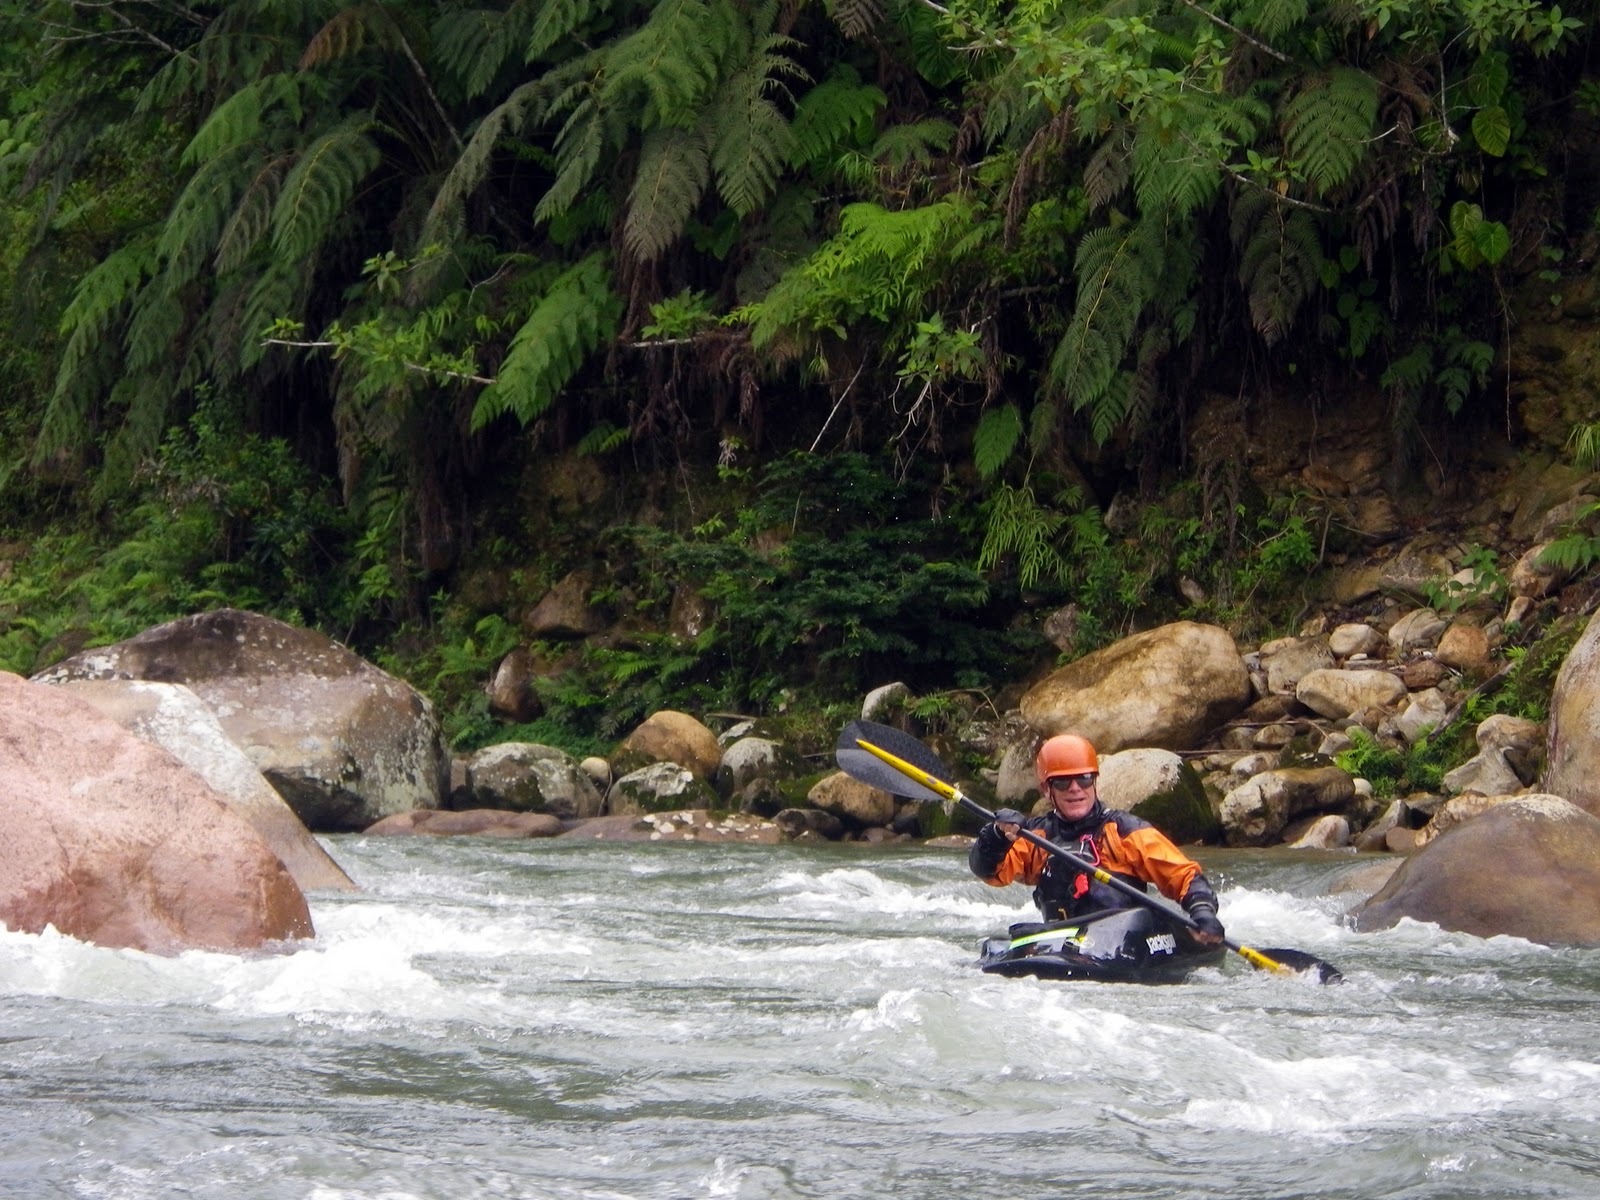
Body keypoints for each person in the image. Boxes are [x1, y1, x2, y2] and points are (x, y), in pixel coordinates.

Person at [968, 732, 1226, 945]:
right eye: (1062, 783)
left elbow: (1183, 875)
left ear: (1094, 782)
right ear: (1046, 789)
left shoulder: (1126, 831)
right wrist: (994, 836)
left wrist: (1202, 910)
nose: (1075, 789)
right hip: (1064, 942)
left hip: (1123, 942)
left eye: (1083, 779)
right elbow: (991, 873)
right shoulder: (1036, 837)